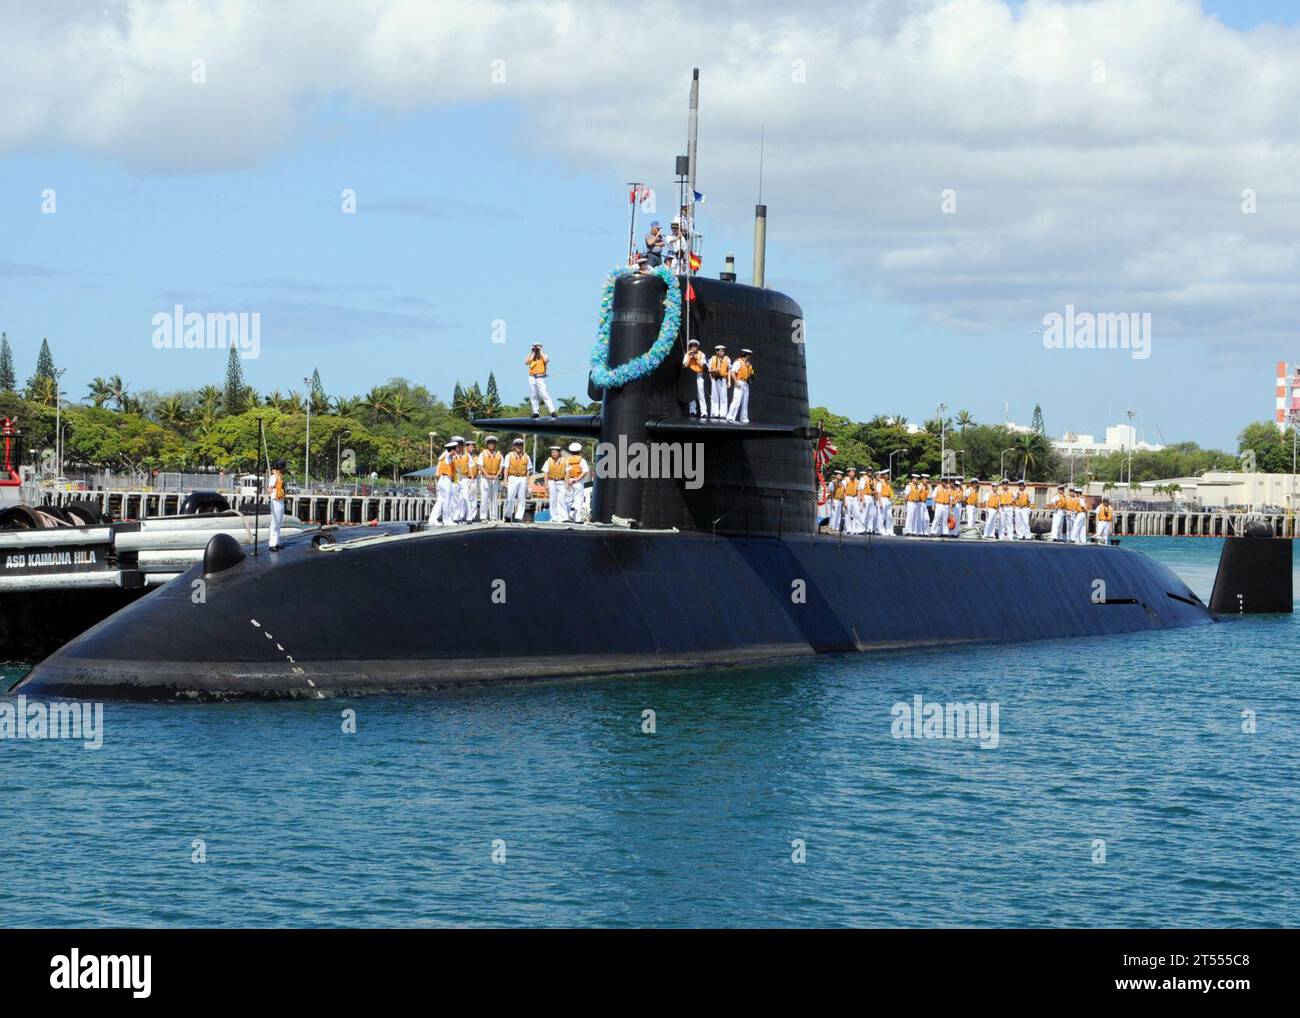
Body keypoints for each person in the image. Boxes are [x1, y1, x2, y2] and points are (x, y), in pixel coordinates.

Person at [429, 440, 459, 526]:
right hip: (446, 480)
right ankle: (447, 520)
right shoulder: (448, 456)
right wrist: (452, 454)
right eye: (455, 449)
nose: (456, 451)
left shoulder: (443, 456)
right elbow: (449, 456)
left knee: (440, 501)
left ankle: (433, 519)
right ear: (452, 450)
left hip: (442, 479)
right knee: (447, 500)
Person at [503, 438, 532, 522]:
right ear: (514, 446)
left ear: (522, 446)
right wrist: (505, 480)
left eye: (520, 445)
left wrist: (527, 481)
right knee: (510, 497)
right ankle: (508, 515)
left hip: (522, 478)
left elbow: (528, 470)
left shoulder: (526, 456)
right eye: (517, 445)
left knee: (522, 499)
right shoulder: (509, 455)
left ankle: (519, 517)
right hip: (513, 477)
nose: (519, 447)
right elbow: (506, 469)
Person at [525, 344, 558, 419]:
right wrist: (531, 352)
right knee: (533, 395)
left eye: (537, 348)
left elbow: (546, 360)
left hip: (540, 377)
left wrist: (540, 350)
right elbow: (526, 362)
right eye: (535, 348)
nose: (536, 349)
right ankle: (535, 412)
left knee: (544, 394)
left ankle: (552, 411)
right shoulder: (532, 356)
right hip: (532, 377)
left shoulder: (543, 355)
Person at [478, 436, 504, 521]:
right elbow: (480, 466)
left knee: (494, 498)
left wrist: (497, 475)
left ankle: (493, 516)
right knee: (484, 497)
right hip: (485, 478)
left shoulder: (499, 454)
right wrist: (486, 475)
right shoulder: (483, 454)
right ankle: (483, 517)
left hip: (495, 478)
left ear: (495, 444)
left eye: (493, 443)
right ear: (487, 444)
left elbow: (501, 466)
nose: (491, 444)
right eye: (490, 443)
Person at [563, 441, 590, 522]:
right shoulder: (582, 460)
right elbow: (585, 471)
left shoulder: (567, 460)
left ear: (571, 451)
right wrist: (577, 479)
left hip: (569, 481)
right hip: (578, 482)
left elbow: (566, 472)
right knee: (579, 500)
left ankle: (565, 517)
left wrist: (568, 482)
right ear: (579, 451)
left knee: (567, 500)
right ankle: (577, 519)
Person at [727, 349, 754, 423]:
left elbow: (751, 374)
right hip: (739, 381)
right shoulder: (738, 362)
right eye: (749, 355)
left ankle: (744, 418)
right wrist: (736, 382)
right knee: (736, 400)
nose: (750, 356)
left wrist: (750, 378)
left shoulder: (749, 364)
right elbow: (732, 372)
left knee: (745, 402)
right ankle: (730, 416)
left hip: (746, 383)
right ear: (747, 355)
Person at [683, 339, 707, 418]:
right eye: (692, 346)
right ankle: (692, 411)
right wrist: (690, 357)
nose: (693, 348)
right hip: (690, 377)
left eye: (695, 346)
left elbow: (702, 365)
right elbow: (685, 365)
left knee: (701, 394)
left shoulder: (702, 354)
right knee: (691, 394)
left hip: (698, 376)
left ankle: (704, 412)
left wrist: (696, 358)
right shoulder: (687, 354)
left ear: (697, 347)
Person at [543, 446, 566, 521]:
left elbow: (568, 472)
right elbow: (545, 473)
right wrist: (546, 484)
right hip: (551, 481)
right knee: (553, 500)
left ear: (559, 453)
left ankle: (563, 517)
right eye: (552, 452)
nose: (553, 454)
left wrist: (567, 482)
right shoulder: (548, 461)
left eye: (555, 452)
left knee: (562, 499)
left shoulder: (564, 461)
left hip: (561, 481)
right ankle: (553, 517)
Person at [707, 345, 730, 420]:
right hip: (715, 379)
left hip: (723, 379)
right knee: (714, 397)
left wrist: (729, 381)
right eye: (721, 351)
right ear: (717, 352)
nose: (723, 352)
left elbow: (729, 371)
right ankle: (715, 413)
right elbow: (709, 370)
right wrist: (714, 371)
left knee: (723, 397)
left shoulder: (727, 359)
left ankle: (723, 414)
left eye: (723, 351)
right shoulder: (712, 359)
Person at [268, 460, 286, 550]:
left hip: (281, 500)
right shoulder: (273, 477)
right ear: (280, 468)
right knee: (275, 521)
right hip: (275, 500)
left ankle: (277, 542)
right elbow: (270, 488)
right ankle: (272, 544)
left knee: (279, 522)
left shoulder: (280, 477)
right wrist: (272, 494)